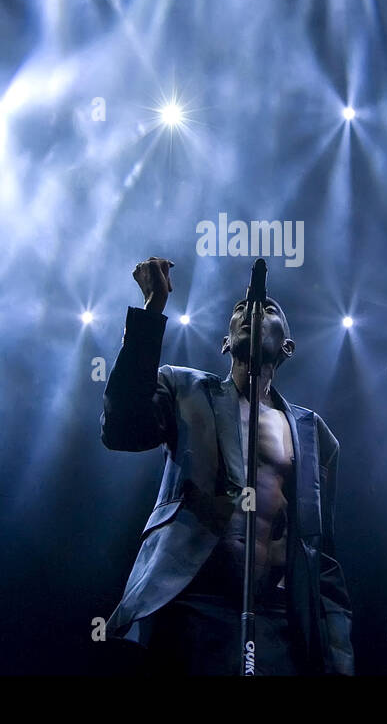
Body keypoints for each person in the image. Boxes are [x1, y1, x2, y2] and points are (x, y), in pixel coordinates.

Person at [101, 256, 354, 674]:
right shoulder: (183, 389)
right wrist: (151, 311)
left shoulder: (316, 435)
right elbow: (120, 429)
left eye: (268, 309)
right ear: (225, 341)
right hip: (190, 608)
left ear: (287, 347)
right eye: (241, 309)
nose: (253, 310)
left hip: (277, 622)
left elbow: (321, 555)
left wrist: (339, 660)